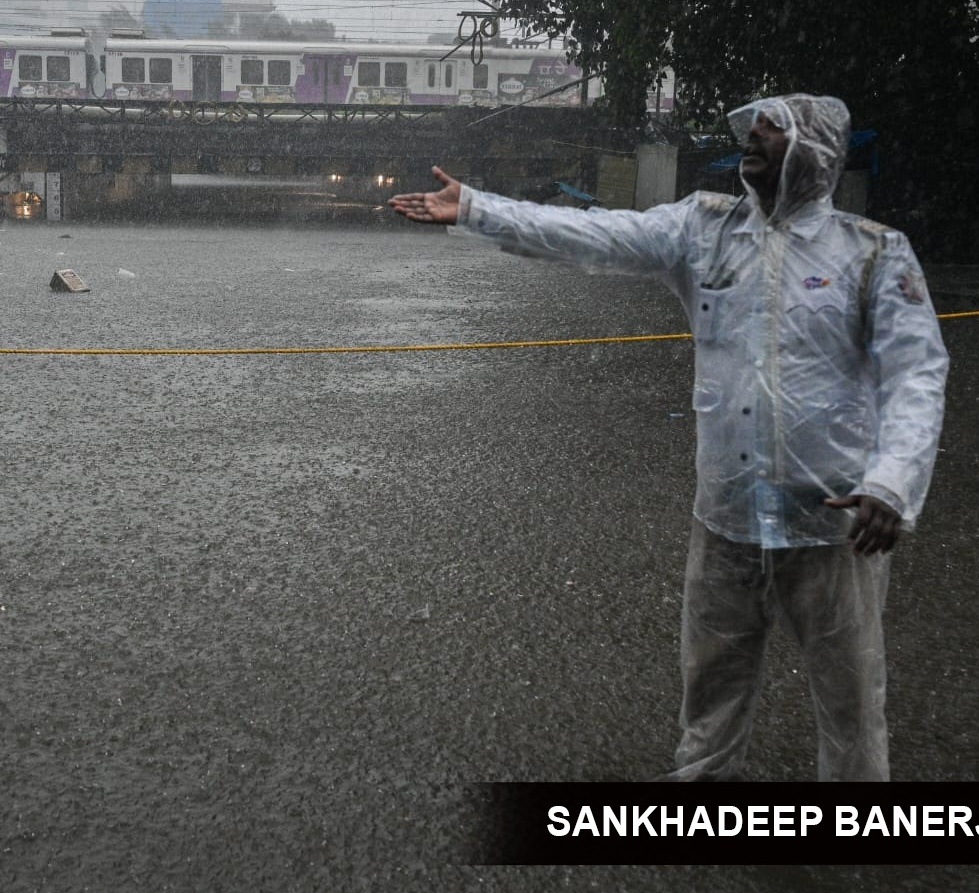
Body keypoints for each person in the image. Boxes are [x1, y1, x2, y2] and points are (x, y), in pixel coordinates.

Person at [389, 94, 948, 781]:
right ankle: (703, 784)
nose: (753, 136)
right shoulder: (704, 229)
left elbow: (916, 374)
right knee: (712, 671)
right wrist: (476, 209)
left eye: (774, 128)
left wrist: (893, 482)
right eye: (754, 125)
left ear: (817, 152)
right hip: (729, 510)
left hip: (831, 518)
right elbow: (594, 233)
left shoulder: (873, 252)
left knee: (850, 689)